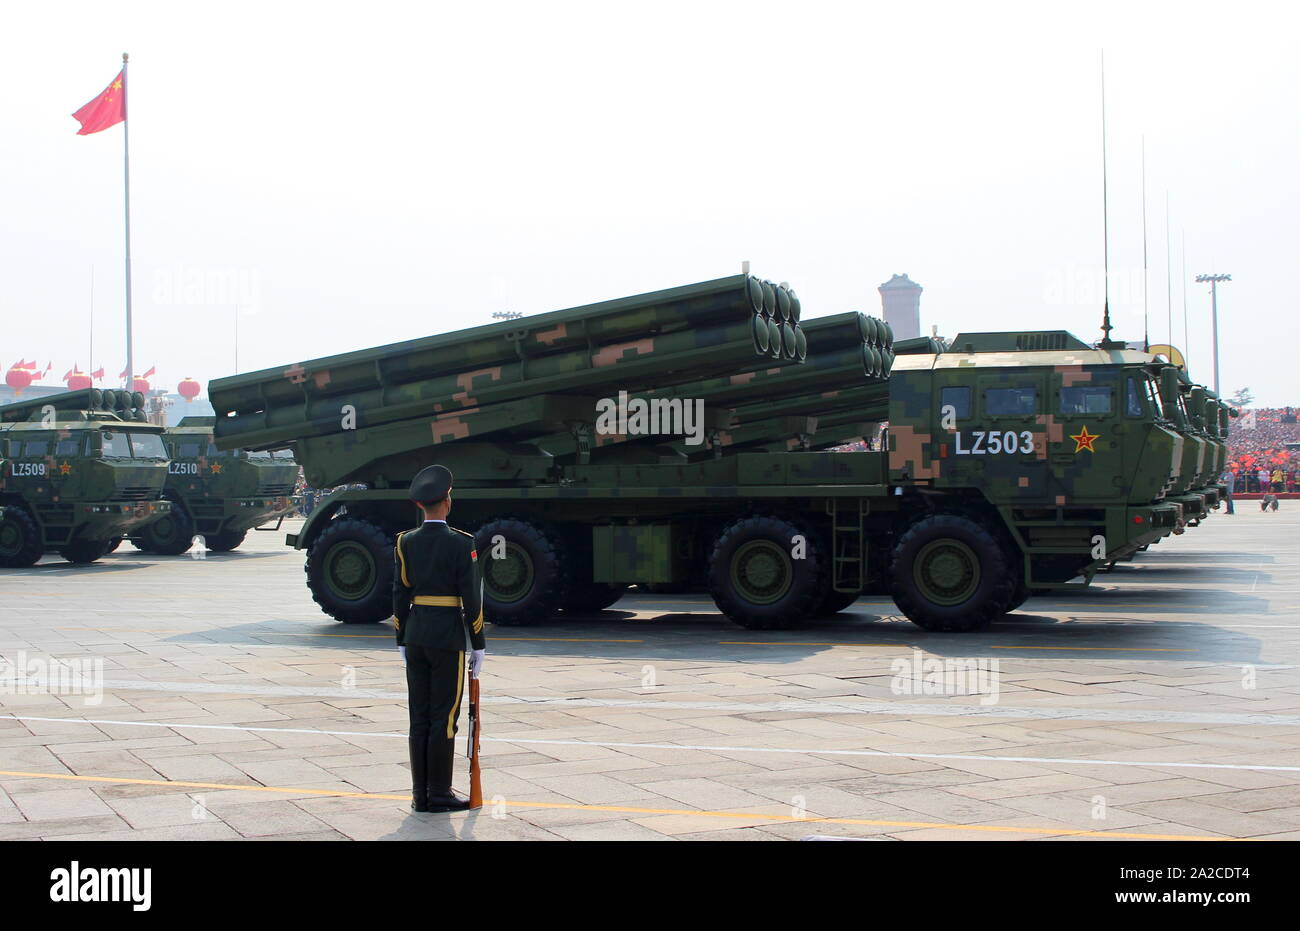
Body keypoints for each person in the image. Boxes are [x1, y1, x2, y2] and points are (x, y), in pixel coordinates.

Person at [393, 464, 486, 813]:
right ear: (447, 501)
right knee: (444, 716)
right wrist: (478, 643)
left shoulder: (405, 542)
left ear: (421, 505)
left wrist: (401, 636)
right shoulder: (462, 543)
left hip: (416, 635)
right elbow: (471, 598)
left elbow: (399, 592)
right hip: (447, 637)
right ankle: (440, 793)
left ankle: (420, 794)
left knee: (419, 716)